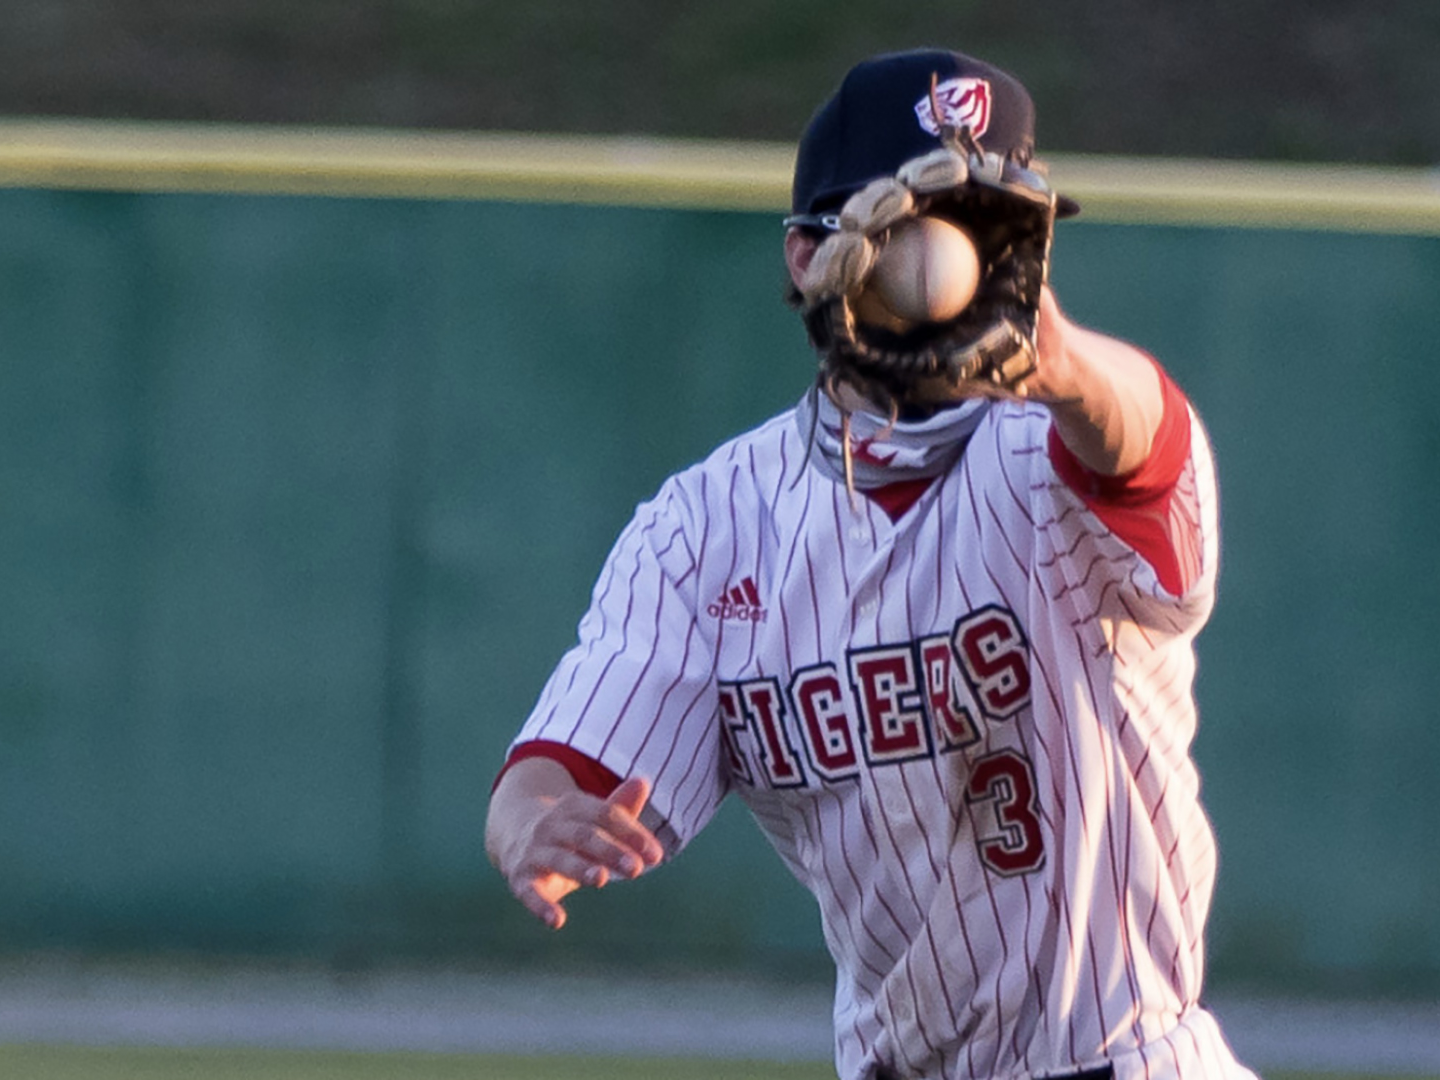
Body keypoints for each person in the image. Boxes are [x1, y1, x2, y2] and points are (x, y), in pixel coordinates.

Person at [484, 47, 1259, 1080]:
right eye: (904, 223)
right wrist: (535, 827)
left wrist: (1059, 360)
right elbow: (550, 775)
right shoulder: (706, 529)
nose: (957, 254)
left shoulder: (1061, 452)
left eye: (996, 226)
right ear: (806, 253)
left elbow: (1142, 434)